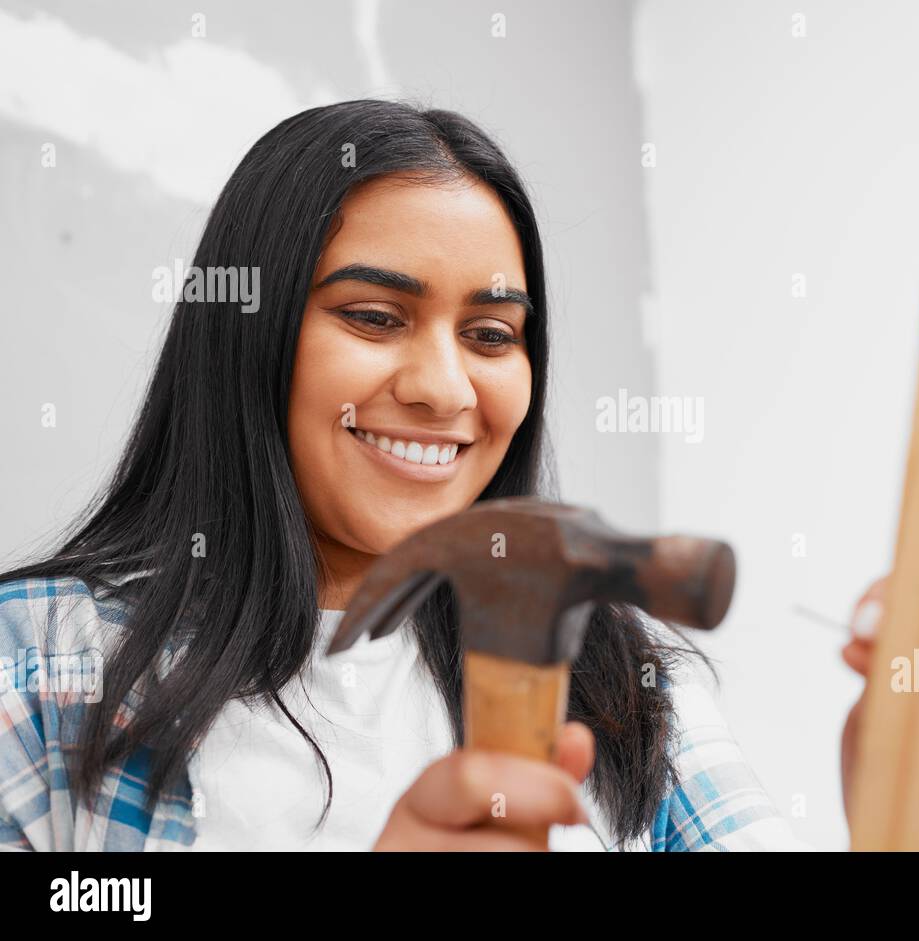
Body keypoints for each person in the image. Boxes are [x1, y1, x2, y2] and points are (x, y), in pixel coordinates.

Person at [0, 100, 873, 852]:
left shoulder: (620, 674)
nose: (444, 388)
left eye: (491, 335)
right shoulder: (39, 662)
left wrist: (911, 793)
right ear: (248, 336)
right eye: (375, 317)